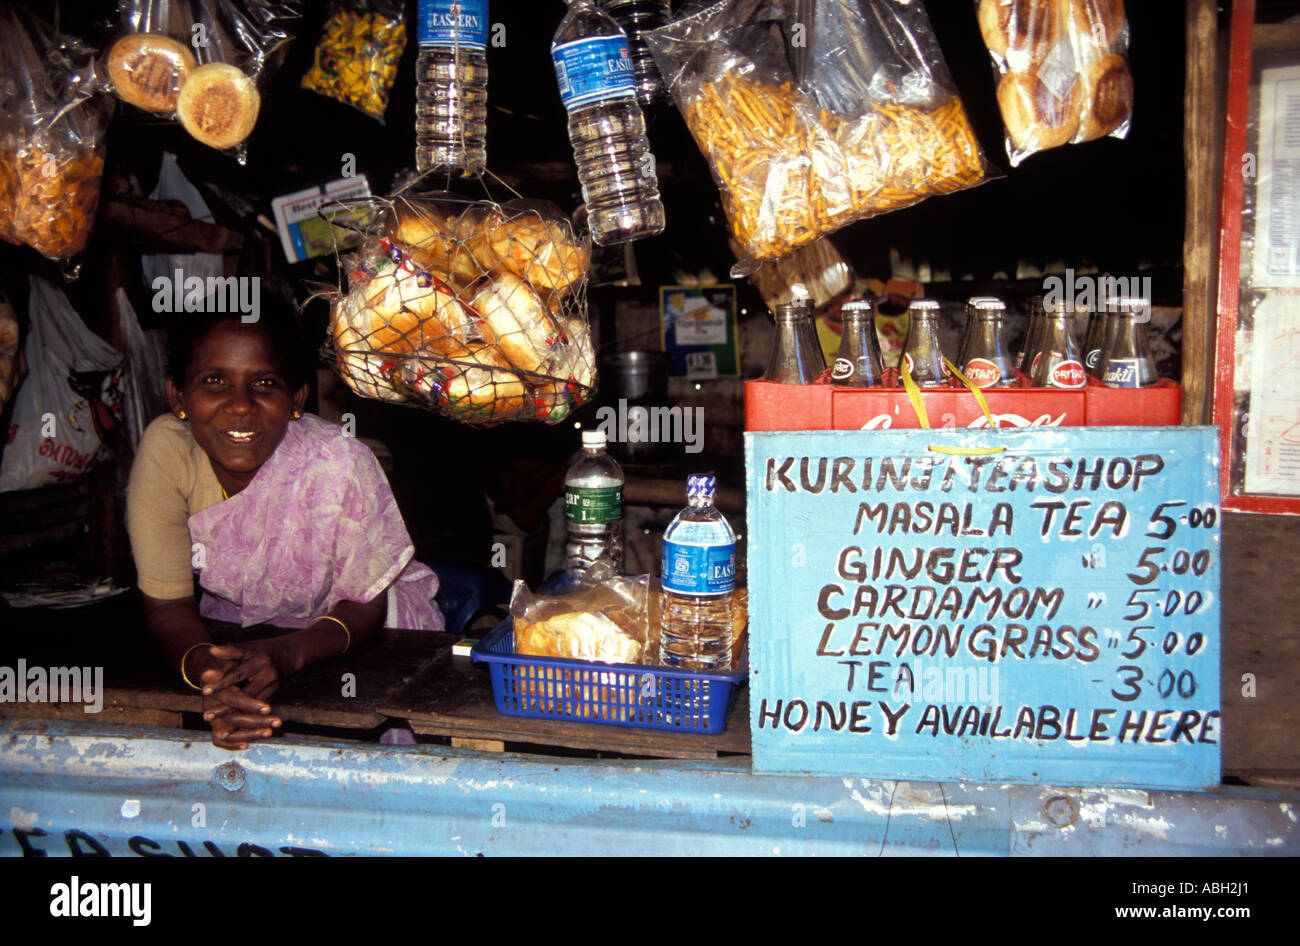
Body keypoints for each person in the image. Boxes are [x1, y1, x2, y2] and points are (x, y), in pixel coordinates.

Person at [126, 306, 442, 750]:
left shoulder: (337, 462)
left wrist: (288, 654)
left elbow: (365, 604)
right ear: (177, 397)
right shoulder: (168, 451)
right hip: (240, 639)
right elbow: (168, 605)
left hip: (364, 642)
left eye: (265, 383)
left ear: (296, 400)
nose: (240, 404)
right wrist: (213, 676)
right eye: (215, 381)